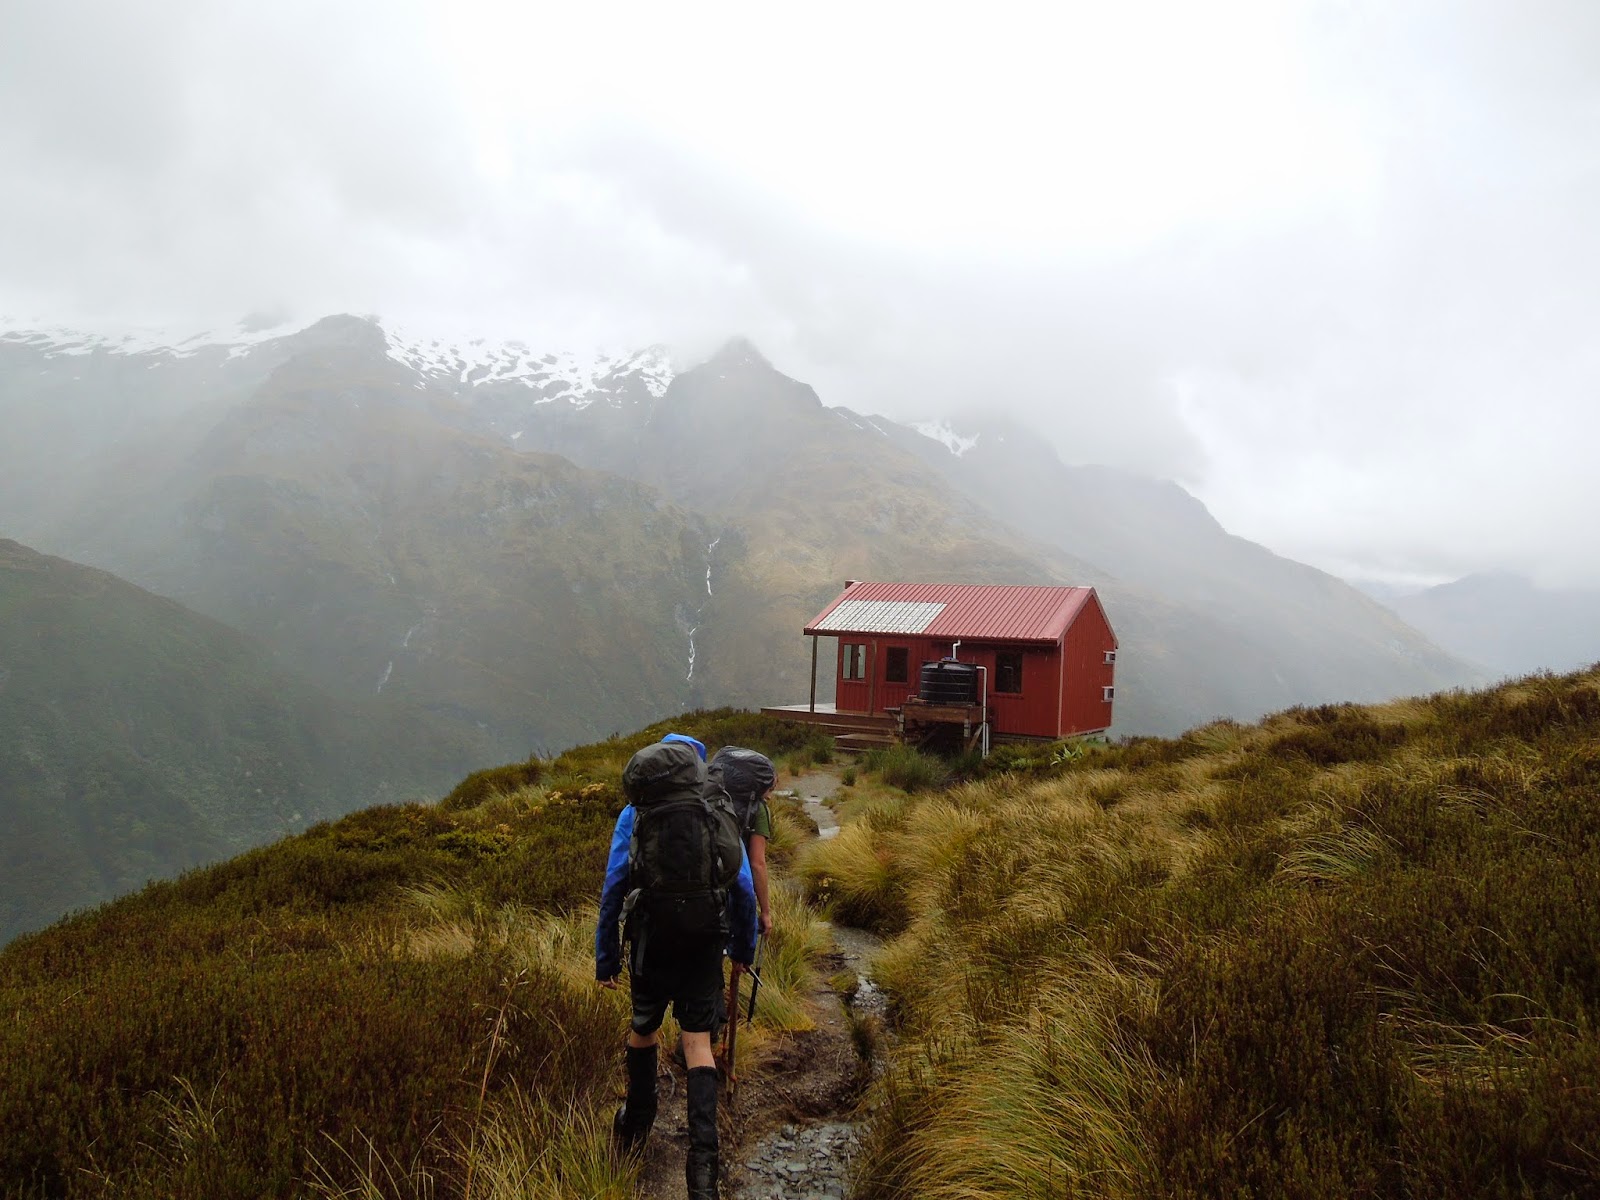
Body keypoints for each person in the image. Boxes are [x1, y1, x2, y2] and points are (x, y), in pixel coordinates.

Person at [596, 733, 758, 1200]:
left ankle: (635, 1126)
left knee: (643, 1027)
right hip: (704, 942)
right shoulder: (715, 809)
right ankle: (703, 1172)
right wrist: (743, 950)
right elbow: (742, 889)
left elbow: (613, 886)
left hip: (651, 941)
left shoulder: (637, 813)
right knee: (698, 1042)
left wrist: (606, 956)